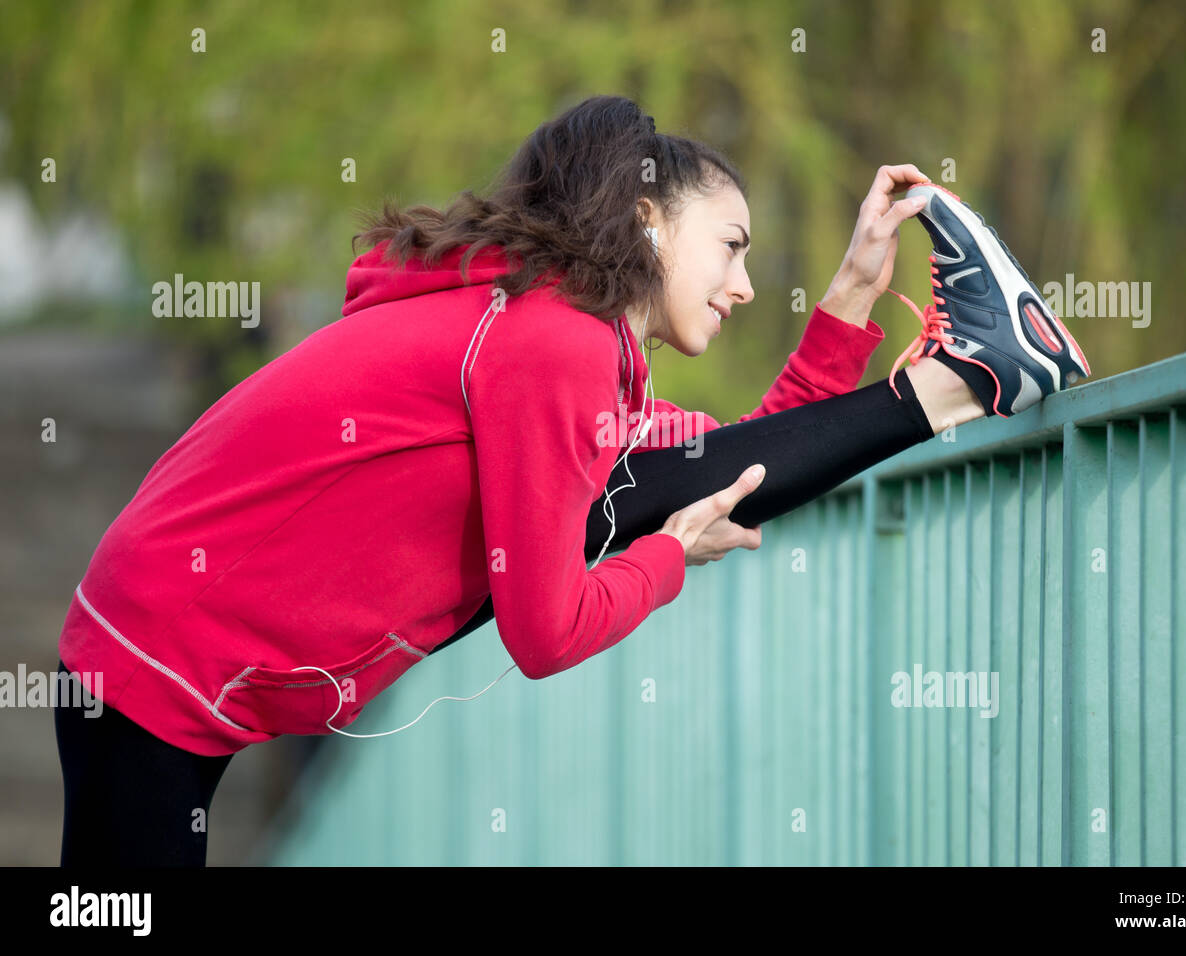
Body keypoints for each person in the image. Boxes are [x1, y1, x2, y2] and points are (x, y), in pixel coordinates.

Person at [54, 94, 1088, 866]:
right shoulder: (551, 345)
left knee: (642, 488)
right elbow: (545, 631)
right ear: (647, 224)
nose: (742, 282)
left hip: (159, 655)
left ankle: (970, 377)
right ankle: (966, 380)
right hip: (156, 663)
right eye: (729, 246)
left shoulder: (547, 338)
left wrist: (856, 293)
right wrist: (665, 561)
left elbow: (728, 463)